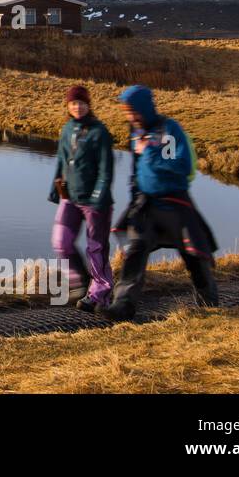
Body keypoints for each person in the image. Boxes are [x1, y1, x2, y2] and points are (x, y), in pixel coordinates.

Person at [101, 85, 219, 321]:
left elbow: (179, 166)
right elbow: (137, 170)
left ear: (143, 108)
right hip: (146, 207)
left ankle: (209, 304)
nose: (130, 116)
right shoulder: (136, 132)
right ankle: (122, 306)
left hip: (175, 206)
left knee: (193, 257)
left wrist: (150, 153)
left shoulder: (168, 130)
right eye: (127, 112)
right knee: (135, 251)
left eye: (133, 111)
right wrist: (135, 197)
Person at [48, 85, 115, 311]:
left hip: (95, 201)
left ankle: (100, 294)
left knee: (96, 248)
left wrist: (98, 195)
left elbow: (107, 170)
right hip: (70, 197)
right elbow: (61, 160)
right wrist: (54, 188)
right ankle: (82, 283)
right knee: (61, 241)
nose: (77, 107)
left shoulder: (99, 131)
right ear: (67, 106)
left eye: (81, 103)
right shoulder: (67, 129)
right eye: (73, 103)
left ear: (89, 105)